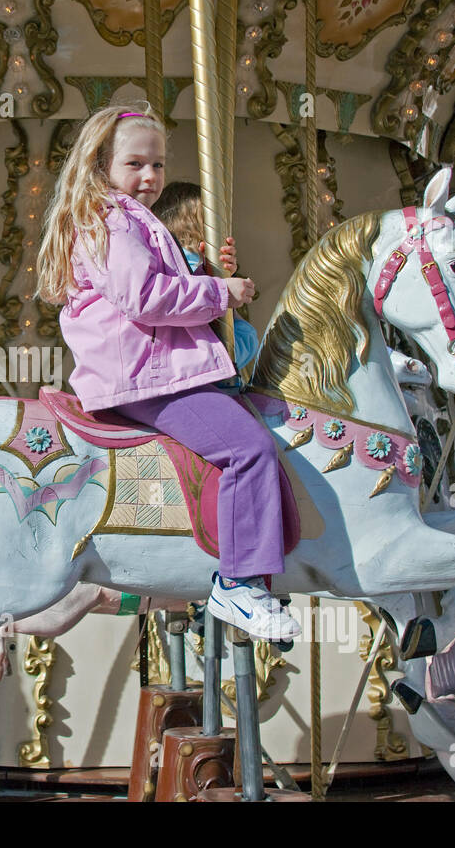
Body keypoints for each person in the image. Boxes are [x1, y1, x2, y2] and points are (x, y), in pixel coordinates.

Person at [33, 104, 299, 642]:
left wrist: (201, 269)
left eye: (157, 165)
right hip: (143, 375)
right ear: (101, 163)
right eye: (135, 164)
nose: (150, 177)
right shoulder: (110, 219)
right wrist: (221, 292)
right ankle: (241, 583)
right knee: (249, 449)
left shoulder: (125, 218)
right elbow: (144, 296)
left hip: (145, 370)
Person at [151, 181, 260, 372]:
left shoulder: (170, 259)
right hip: (203, 354)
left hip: (193, 352)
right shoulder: (188, 261)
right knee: (247, 335)